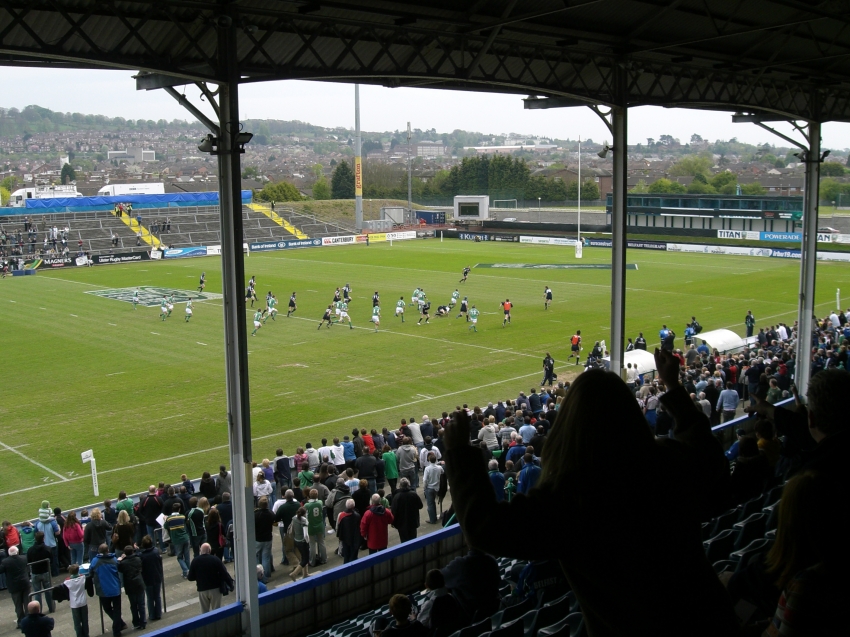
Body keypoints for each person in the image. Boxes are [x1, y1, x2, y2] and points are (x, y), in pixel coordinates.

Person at [443, 348, 740, 637]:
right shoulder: (665, 460)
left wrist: (458, 451)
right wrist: (674, 386)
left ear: (569, 425)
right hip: (711, 617)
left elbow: (483, 527)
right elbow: (708, 456)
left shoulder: (573, 498)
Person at [90, 544, 126, 637]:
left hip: (103, 590)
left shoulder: (95, 561)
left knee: (107, 609)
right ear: (108, 550)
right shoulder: (114, 560)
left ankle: (119, 625)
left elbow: (91, 571)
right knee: (117, 610)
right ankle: (118, 627)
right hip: (115, 588)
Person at [187, 543, 234, 613]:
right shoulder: (215, 559)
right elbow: (224, 573)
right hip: (215, 588)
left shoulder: (195, 561)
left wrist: (199, 577)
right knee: (216, 610)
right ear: (210, 550)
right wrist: (231, 585)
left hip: (202, 589)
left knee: (204, 612)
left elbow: (190, 577)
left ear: (200, 550)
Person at [0, 545, 31, 628]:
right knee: (27, 602)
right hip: (25, 583)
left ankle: (21, 621)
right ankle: (29, 619)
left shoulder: (5, 562)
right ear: (17, 552)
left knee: (18, 605)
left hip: (14, 586)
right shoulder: (24, 558)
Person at [117, 546, 146, 630]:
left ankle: (136, 622)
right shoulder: (138, 559)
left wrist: (120, 559)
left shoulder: (123, 563)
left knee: (133, 605)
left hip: (130, 585)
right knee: (141, 604)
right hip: (139, 583)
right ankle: (143, 622)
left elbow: (119, 568)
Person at [27, 531, 55, 613]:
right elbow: (52, 561)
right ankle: (51, 608)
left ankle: (37, 611)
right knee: (48, 591)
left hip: (35, 573)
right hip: (46, 572)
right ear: (43, 538)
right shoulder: (48, 549)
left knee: (37, 593)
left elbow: (28, 562)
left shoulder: (30, 550)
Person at [138, 536, 163, 622]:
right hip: (157, 576)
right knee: (157, 596)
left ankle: (152, 615)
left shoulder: (142, 556)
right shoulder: (156, 551)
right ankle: (159, 613)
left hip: (147, 579)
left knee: (150, 597)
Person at [164, 503, 190, 578]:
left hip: (177, 540)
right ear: (179, 509)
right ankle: (188, 572)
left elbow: (165, 526)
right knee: (187, 556)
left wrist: (165, 519)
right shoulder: (182, 517)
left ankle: (185, 570)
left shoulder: (169, 518)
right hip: (185, 538)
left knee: (179, 557)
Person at [64, 564, 89, 637]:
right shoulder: (83, 578)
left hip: (74, 604)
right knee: (85, 620)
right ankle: (86, 634)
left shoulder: (67, 582)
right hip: (83, 602)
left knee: (77, 622)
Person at [254, 497, 275, 582]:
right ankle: (265, 576)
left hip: (258, 539)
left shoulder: (256, 514)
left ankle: (256, 574)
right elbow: (275, 520)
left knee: (256, 555)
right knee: (266, 557)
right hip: (268, 538)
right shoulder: (271, 513)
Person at [305, 489, 326, 566]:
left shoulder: (307, 505)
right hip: (320, 525)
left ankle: (312, 561)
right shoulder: (320, 502)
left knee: (312, 544)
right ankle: (324, 559)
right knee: (321, 542)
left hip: (311, 526)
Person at [336, 499, 361, 564]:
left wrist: (339, 535)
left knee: (346, 556)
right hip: (354, 539)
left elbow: (338, 527)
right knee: (353, 556)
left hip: (345, 539)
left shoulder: (341, 515)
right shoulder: (357, 516)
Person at [422, 454, 444, 525]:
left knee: (430, 504)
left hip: (429, 488)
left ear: (429, 460)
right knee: (433, 503)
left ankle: (432, 519)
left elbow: (425, 480)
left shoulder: (427, 469)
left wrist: (424, 488)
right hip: (437, 487)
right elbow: (443, 472)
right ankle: (435, 516)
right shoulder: (439, 468)